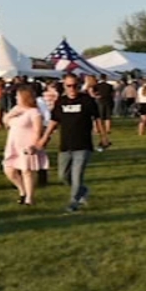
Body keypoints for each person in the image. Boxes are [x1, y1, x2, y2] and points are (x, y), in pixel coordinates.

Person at [39, 74, 100, 212]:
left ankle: (74, 202)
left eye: (75, 86)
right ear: (64, 86)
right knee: (63, 176)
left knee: (77, 175)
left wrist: (103, 136)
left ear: (79, 85)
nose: (72, 89)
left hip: (83, 145)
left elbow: (97, 118)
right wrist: (44, 138)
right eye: (69, 86)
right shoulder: (61, 102)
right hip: (66, 145)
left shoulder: (87, 100)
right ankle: (82, 191)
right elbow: (54, 121)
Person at [1, 85, 45, 205]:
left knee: (27, 171)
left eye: (18, 96)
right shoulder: (16, 109)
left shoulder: (34, 112)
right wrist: (12, 114)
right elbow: (5, 120)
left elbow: (38, 130)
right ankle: (22, 190)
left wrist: (34, 145)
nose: (16, 97)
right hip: (13, 143)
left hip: (27, 144)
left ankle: (29, 198)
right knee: (9, 169)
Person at [91, 77, 115, 150]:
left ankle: (99, 129)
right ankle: (108, 129)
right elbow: (113, 94)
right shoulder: (110, 86)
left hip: (100, 101)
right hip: (108, 101)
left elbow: (93, 92)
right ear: (106, 78)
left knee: (100, 117)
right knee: (108, 116)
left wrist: (96, 96)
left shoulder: (96, 86)